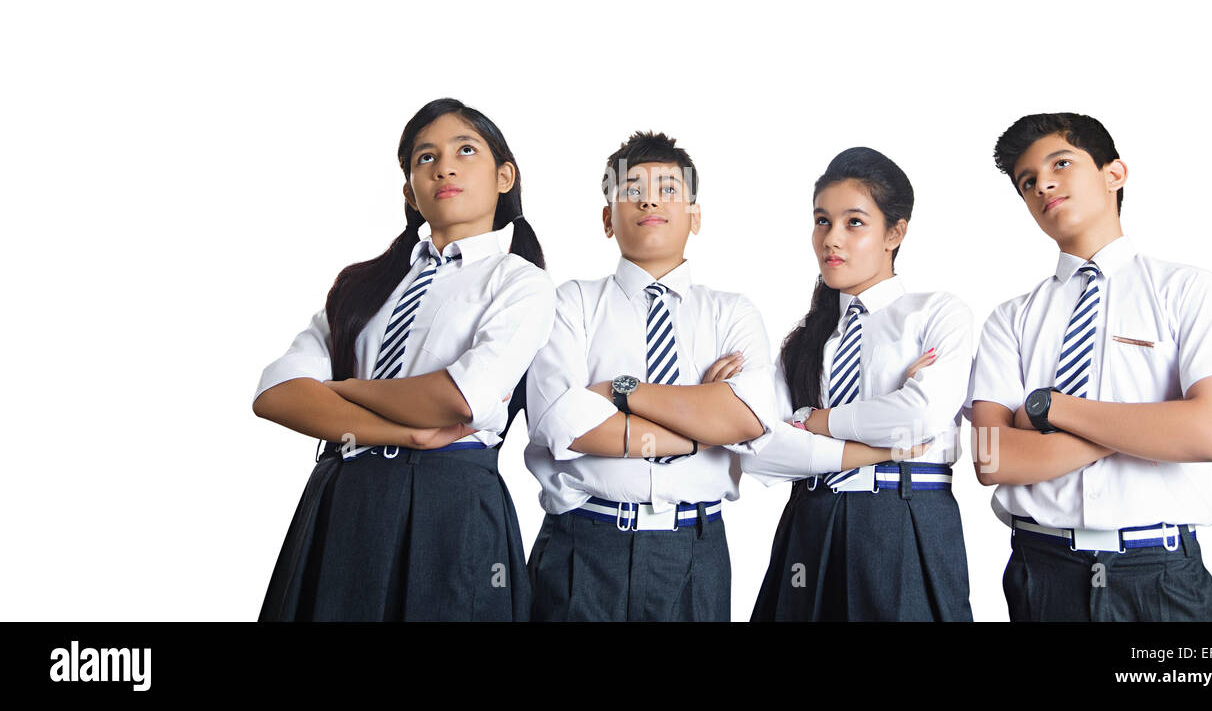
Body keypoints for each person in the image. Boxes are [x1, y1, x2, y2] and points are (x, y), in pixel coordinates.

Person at [253, 98, 555, 621]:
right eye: (425, 158)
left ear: (505, 176)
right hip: (342, 500)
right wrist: (404, 433)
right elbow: (275, 395)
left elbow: (458, 399)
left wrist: (340, 389)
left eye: (465, 150)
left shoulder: (520, 283)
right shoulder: (362, 286)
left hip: (451, 508)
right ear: (409, 191)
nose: (445, 167)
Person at [967, 112, 1212, 622]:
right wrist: (1153, 425)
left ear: (1114, 174)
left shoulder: (1187, 291)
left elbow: (1210, 436)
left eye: (1061, 163)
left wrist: (1050, 410)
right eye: (1028, 181)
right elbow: (993, 460)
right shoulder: (1009, 319)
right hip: (1043, 570)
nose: (1045, 185)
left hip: (1161, 574)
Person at [524, 130, 776, 621]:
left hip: (695, 551)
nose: (649, 202)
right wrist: (699, 418)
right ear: (607, 218)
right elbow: (566, 427)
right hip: (584, 543)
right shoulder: (570, 302)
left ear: (695, 216)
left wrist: (622, 391)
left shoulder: (732, 313)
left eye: (667, 190)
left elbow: (747, 421)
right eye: (631, 190)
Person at [745, 146, 974, 621]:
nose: (832, 239)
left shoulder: (936, 313)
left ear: (895, 232)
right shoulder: (805, 341)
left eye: (854, 223)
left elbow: (922, 415)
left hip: (905, 520)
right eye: (822, 221)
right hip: (811, 520)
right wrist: (886, 435)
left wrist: (816, 421)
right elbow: (760, 452)